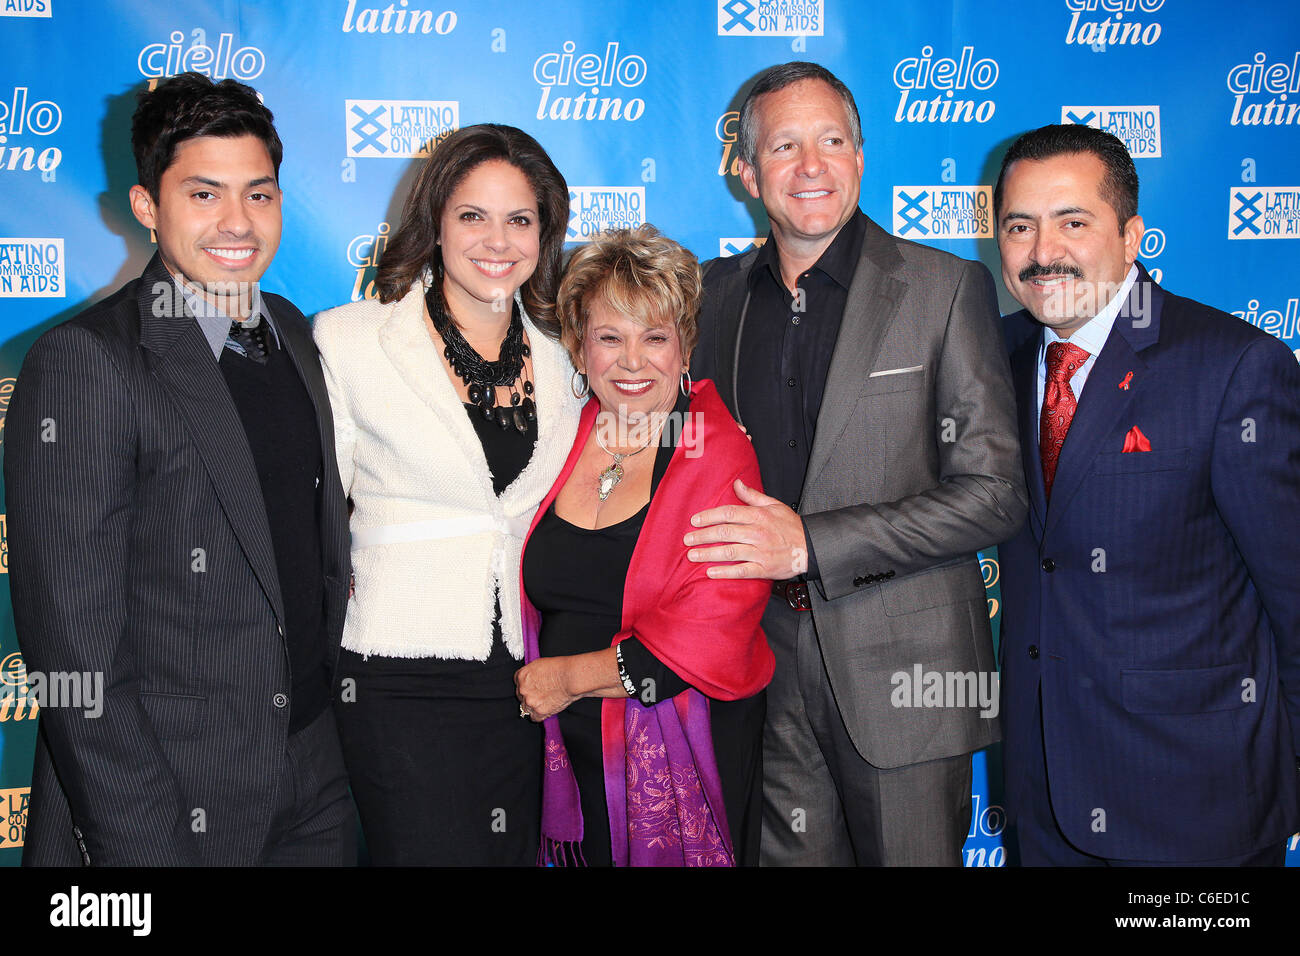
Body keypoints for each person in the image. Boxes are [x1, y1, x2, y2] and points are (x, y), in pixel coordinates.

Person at [4, 72, 356, 865]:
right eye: (204, 195)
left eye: (259, 195)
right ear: (146, 207)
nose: (238, 223)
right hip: (170, 801)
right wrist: (142, 842)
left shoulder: (294, 332)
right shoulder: (87, 363)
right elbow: (74, 657)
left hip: (317, 777)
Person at [686, 62, 1027, 866]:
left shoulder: (944, 288)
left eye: (832, 141)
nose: (811, 167)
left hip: (905, 678)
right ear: (746, 170)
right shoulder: (711, 295)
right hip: (759, 674)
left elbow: (994, 495)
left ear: (862, 154)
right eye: (785, 146)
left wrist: (811, 544)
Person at [994, 123, 1300, 866]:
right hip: (1042, 801)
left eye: (1073, 222)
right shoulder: (987, 356)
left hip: (1196, 805)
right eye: (1019, 226)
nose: (1043, 252)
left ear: (1132, 236)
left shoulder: (1233, 366)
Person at [313, 124, 583, 865]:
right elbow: (313, 519)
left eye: (519, 219)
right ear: (434, 222)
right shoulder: (352, 340)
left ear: (545, 231)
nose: (497, 240)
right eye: (473, 215)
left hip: (526, 680)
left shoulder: (568, 352)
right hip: (398, 677)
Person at [514, 225, 775, 866]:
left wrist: (565, 678)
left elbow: (713, 630)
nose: (632, 362)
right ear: (579, 348)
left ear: (685, 348)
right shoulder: (555, 438)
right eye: (610, 337)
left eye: (654, 338)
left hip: (678, 737)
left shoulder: (715, 450)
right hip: (558, 746)